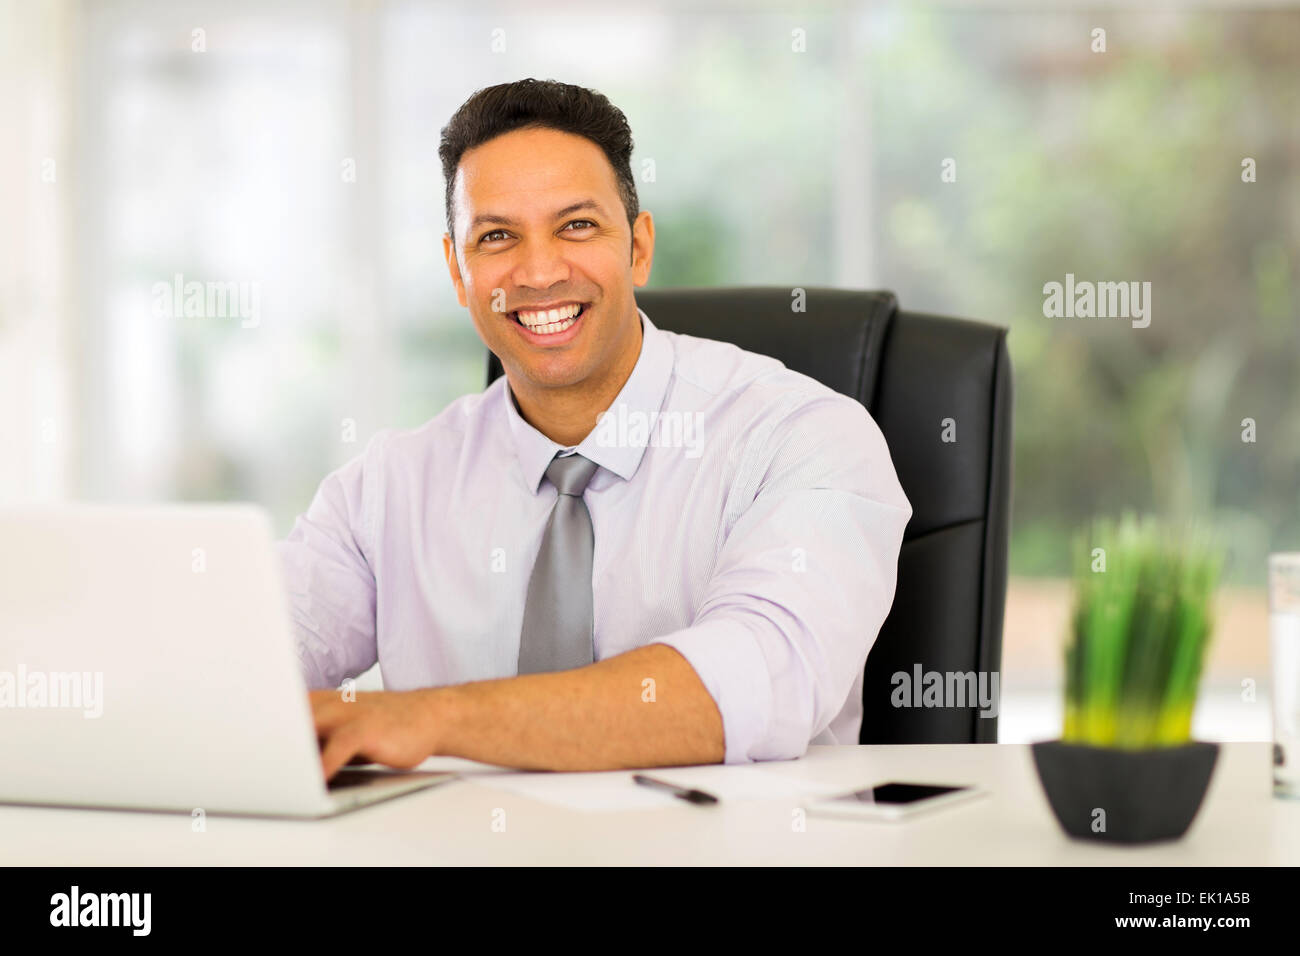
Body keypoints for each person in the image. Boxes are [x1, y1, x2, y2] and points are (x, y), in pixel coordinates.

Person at [284, 78, 912, 779]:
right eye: (496, 237)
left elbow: (755, 683)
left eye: (576, 225)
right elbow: (240, 662)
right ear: (458, 273)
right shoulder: (386, 488)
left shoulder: (801, 437)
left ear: (639, 248)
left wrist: (434, 717)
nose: (540, 270)